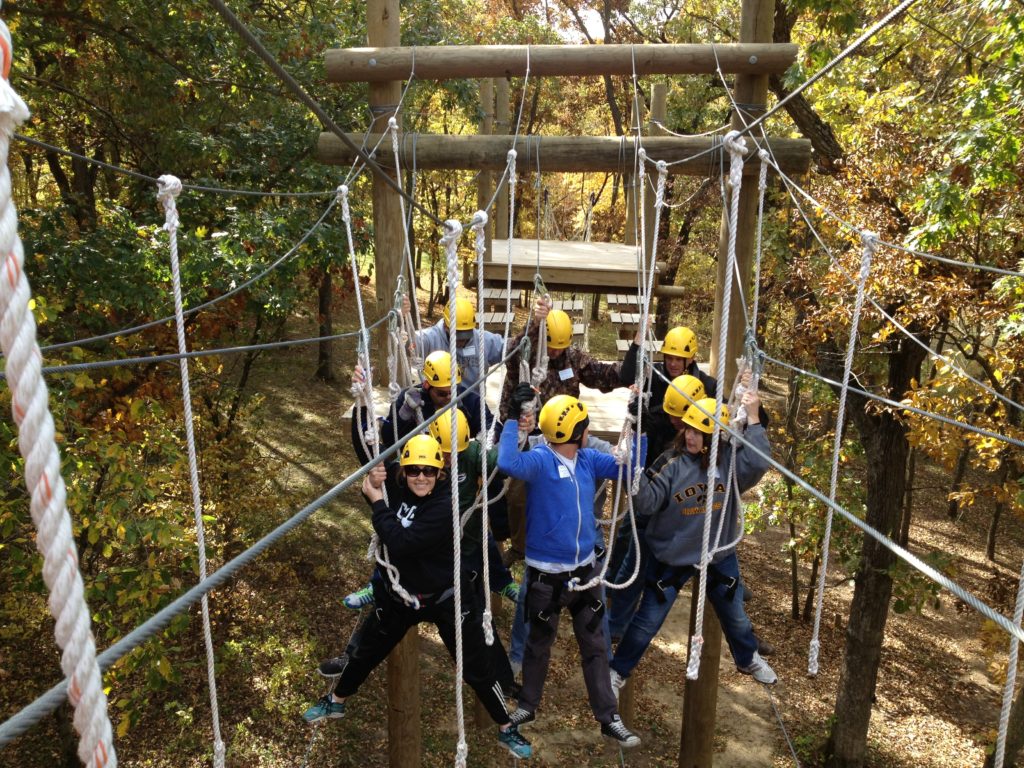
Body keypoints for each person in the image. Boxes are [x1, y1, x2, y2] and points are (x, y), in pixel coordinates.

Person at [303, 434, 532, 760]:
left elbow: (401, 542)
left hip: (447, 599)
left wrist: (376, 500)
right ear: (404, 471)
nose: (420, 477)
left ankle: (507, 727)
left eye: (428, 471)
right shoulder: (397, 484)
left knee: (477, 669)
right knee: (365, 652)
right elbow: (368, 450)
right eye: (413, 470)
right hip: (402, 596)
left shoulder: (445, 503)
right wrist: (370, 480)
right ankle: (336, 701)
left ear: (440, 472)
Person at [497, 385, 644, 749]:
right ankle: (528, 704)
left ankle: (608, 717)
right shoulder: (540, 460)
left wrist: (639, 425)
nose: (589, 430)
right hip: (547, 577)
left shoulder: (588, 460)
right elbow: (507, 463)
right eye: (585, 426)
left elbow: (628, 467)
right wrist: (514, 419)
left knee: (595, 646)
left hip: (585, 573)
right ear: (576, 431)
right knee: (537, 643)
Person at [608, 393, 777, 699]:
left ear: (715, 437)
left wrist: (752, 417)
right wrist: (631, 472)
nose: (690, 436)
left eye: (699, 432)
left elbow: (759, 461)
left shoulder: (729, 462)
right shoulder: (671, 464)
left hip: (717, 552)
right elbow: (647, 502)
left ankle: (747, 658)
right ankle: (618, 670)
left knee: (735, 614)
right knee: (647, 620)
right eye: (688, 429)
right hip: (672, 556)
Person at [607, 374, 706, 640]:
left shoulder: (707, 434)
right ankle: (614, 619)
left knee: (669, 571)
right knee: (632, 563)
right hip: (650, 503)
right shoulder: (656, 419)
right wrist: (637, 418)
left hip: (681, 515)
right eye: (671, 415)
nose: (675, 422)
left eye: (680, 418)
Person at [405, 294, 507, 389]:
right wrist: (404, 319)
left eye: (466, 334)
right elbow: (410, 346)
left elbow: (510, 347)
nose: (462, 341)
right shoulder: (431, 337)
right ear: (446, 325)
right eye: (457, 335)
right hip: (439, 402)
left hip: (472, 402)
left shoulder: (483, 340)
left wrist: (521, 339)